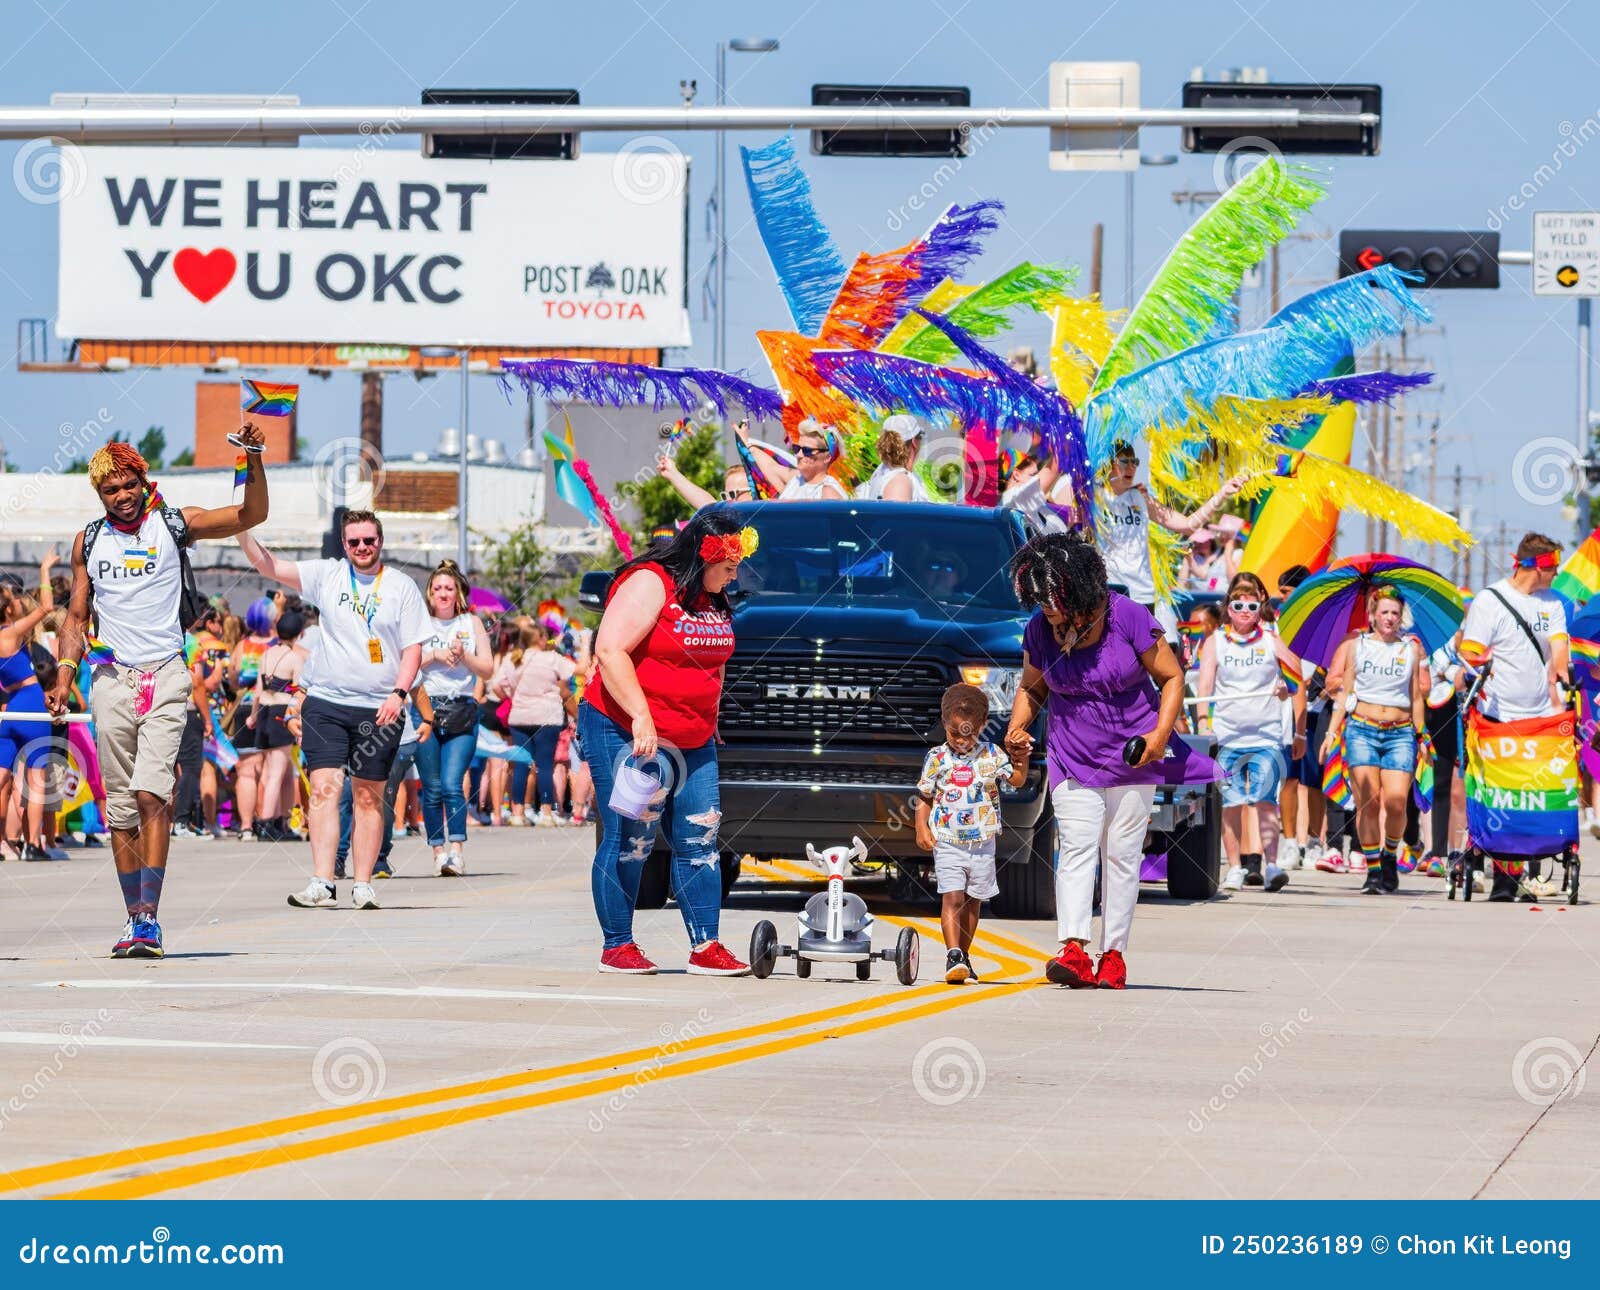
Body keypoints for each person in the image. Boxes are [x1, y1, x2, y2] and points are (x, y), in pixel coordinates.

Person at [46, 429, 269, 958]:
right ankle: (133, 918)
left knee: (151, 792)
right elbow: (76, 617)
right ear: (99, 494)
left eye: (129, 485)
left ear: (143, 481)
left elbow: (250, 514)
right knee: (121, 807)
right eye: (110, 490)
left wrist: (253, 458)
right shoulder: (88, 542)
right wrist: (64, 675)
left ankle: (149, 917)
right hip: (109, 679)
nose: (122, 496)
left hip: (166, 674)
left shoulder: (174, 523)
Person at [1003, 532, 1219, 989]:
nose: (1046, 609)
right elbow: (1031, 688)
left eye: (1053, 598)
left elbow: (1172, 677)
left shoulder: (1129, 617)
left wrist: (1159, 737)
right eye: (1039, 600)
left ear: (1078, 587)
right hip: (1071, 753)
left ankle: (1114, 955)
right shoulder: (1040, 629)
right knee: (1077, 844)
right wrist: (1017, 727)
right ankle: (1073, 948)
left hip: (1133, 755)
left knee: (1121, 854)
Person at [580, 508, 750, 976]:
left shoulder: (711, 597)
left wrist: (711, 716)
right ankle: (617, 945)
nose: (734, 576)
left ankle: (706, 946)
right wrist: (641, 716)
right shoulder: (651, 583)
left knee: (701, 835)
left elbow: (716, 659)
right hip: (626, 730)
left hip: (693, 737)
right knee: (633, 838)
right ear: (704, 555)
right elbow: (610, 650)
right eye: (728, 566)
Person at [236, 509, 430, 912]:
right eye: (354, 541)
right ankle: (322, 881)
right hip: (326, 703)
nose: (362, 547)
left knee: (368, 797)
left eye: (369, 540)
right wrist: (241, 530)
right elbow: (269, 565)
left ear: (380, 541)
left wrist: (399, 694)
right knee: (325, 788)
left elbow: (412, 648)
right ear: (344, 544)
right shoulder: (328, 575)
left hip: (379, 708)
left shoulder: (401, 586)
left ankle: (362, 883)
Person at [1458, 532, 1572, 901]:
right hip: (1498, 714)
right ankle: (1504, 880)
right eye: (1553, 568)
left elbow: (1559, 647)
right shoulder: (1490, 600)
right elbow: (1470, 652)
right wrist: (1481, 664)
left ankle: (1522, 875)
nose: (1557, 574)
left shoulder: (1552, 603)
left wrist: (1561, 675)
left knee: (1531, 797)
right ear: (1538, 567)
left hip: (1539, 717)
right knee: (1502, 798)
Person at [1196, 573, 1305, 893]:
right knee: (1230, 803)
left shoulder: (1271, 639)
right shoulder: (1216, 641)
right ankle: (1235, 867)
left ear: (1260, 609)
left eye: (1252, 606)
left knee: (1265, 800)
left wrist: (1286, 690)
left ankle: (1271, 866)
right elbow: (1205, 686)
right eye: (1238, 605)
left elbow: (1296, 679)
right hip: (1228, 737)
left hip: (1266, 737)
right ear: (1228, 608)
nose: (1245, 612)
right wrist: (1203, 725)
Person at [916, 682, 1028, 984]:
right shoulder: (937, 757)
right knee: (952, 896)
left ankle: (963, 956)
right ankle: (952, 953)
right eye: (955, 733)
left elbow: (1017, 780)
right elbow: (925, 796)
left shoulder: (991, 754)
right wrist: (921, 827)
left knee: (973, 901)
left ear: (982, 725)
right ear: (944, 723)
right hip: (948, 841)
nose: (962, 741)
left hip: (982, 843)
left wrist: (1021, 757)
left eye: (969, 733)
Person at [1319, 585, 1427, 895]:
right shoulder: (1358, 646)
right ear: (1373, 615)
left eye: (1395, 613)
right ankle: (1374, 869)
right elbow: (1345, 693)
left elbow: (1416, 697)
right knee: (1368, 802)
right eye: (1385, 612)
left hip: (1400, 731)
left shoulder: (1410, 649)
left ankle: (1390, 853)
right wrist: (1331, 733)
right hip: (1361, 730)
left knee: (1396, 801)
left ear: (1401, 616)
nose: (1390, 618)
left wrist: (1422, 735)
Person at [1060, 440, 1247, 616]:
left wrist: (1221, 494)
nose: (1131, 467)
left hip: (1143, 593)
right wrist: (1071, 519)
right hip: (1108, 590)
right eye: (1124, 461)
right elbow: (1059, 503)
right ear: (1108, 465)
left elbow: (1188, 525)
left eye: (1134, 462)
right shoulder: (1092, 495)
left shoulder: (1141, 497)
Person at [415, 560, 493, 874]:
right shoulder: (419, 622)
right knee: (432, 786)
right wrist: (434, 654)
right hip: (425, 709)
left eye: (449, 588)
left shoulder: (471, 623)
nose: (443, 594)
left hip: (461, 708)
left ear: (458, 592)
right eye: (438, 588)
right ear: (430, 593)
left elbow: (487, 668)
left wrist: (465, 656)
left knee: (451, 783)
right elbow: (404, 664)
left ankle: (456, 850)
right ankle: (438, 851)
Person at [0, 554, 60, 860]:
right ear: (8, 608)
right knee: (36, 778)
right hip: (31, 703)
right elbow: (47, 607)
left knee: (2, 778)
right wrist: (44, 570)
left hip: (9, 709)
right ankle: (34, 844)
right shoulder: (11, 634)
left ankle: (3, 841)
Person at [495, 624, 576, 828]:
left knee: (521, 764)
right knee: (545, 765)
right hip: (547, 716)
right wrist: (583, 642)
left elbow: (496, 685)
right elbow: (576, 670)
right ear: (540, 638)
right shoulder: (551, 658)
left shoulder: (513, 658)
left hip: (520, 716)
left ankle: (517, 813)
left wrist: (512, 695)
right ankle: (546, 813)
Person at [246, 608, 309, 842]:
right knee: (276, 772)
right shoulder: (295, 658)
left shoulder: (266, 654)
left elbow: (258, 690)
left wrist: (253, 716)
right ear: (299, 634)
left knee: (282, 772)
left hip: (264, 710)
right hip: (283, 713)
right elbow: (298, 693)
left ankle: (282, 821)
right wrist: (299, 720)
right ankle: (266, 823)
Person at [228, 597, 278, 841]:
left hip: (245, 705)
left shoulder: (242, 646)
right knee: (269, 768)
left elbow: (232, 678)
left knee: (246, 771)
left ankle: (246, 826)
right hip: (272, 705)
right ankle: (266, 821)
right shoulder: (277, 644)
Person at [742, 418, 850, 502]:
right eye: (797, 448)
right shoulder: (796, 479)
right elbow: (770, 466)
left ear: (827, 458)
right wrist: (745, 443)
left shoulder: (829, 493)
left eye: (807, 450)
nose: (798, 455)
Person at [858, 415, 932, 502]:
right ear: (914, 442)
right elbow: (896, 510)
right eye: (920, 437)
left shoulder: (883, 472)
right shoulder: (900, 481)